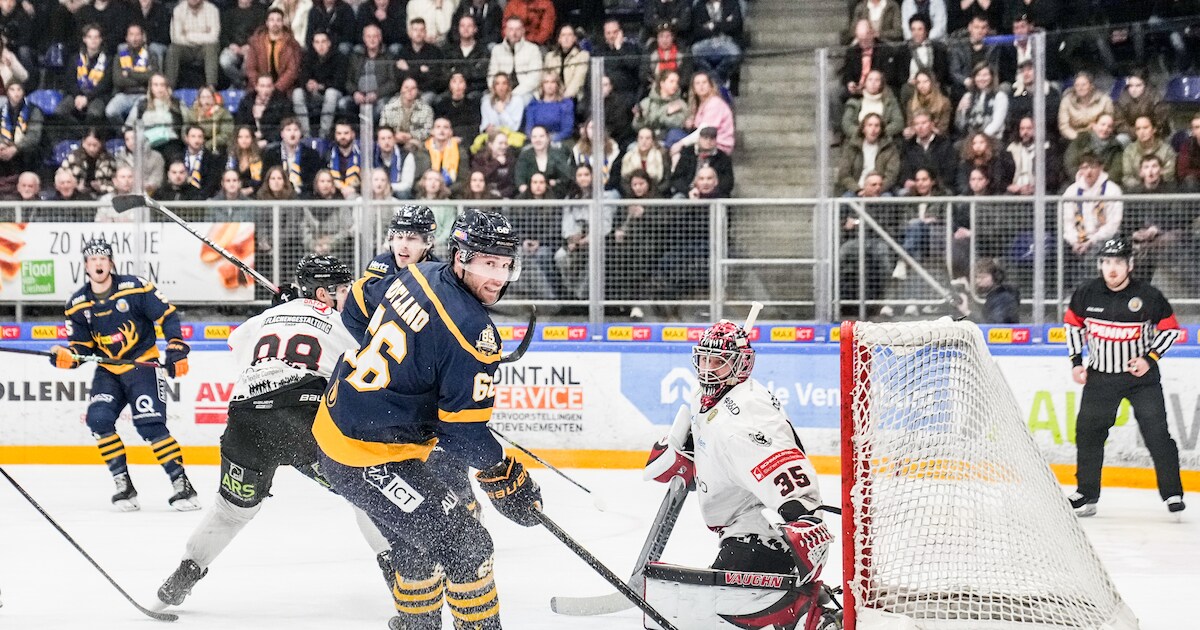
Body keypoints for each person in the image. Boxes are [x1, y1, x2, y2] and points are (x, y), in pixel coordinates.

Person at [314, 208, 541, 630]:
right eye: (486, 262)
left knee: (417, 545)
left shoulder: (420, 273)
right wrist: (503, 473)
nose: (497, 276)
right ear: (460, 256)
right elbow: (462, 434)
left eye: (505, 265)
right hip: (368, 455)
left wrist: (400, 373)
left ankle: (418, 625)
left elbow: (358, 304)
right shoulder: (473, 332)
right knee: (468, 546)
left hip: (341, 425)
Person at [156, 255, 394, 608]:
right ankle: (402, 577)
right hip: (304, 418)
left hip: (245, 421)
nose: (347, 296)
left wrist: (281, 310)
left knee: (231, 510)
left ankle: (186, 573)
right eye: (342, 290)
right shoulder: (346, 322)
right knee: (364, 491)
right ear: (324, 293)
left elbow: (237, 343)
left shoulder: (263, 318)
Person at [642, 319, 832, 627]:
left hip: (757, 542)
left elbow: (779, 462)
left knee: (717, 618)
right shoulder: (710, 396)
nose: (706, 369)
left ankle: (811, 613)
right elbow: (706, 426)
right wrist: (692, 453)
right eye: (703, 358)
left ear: (740, 365)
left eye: (717, 361)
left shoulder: (745, 417)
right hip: (742, 533)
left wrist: (803, 515)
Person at [48, 238, 199, 512]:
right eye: (93, 260)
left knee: (150, 426)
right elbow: (81, 350)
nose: (98, 263)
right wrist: (67, 358)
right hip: (109, 370)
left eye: (103, 258)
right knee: (98, 419)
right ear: (85, 266)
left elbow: (167, 316)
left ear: (111, 263)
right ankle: (123, 485)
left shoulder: (135, 287)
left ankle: (182, 483)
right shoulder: (77, 304)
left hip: (143, 365)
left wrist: (176, 348)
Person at [1063, 238, 1185, 518]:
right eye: (1106, 262)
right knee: (1089, 433)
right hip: (1100, 377)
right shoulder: (1086, 293)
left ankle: (1173, 494)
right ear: (1100, 265)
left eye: (1118, 262)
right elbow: (1072, 326)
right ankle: (1086, 494)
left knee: (1157, 435)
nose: (1112, 269)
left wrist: (1149, 359)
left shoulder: (1149, 295)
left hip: (1141, 380)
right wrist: (1076, 362)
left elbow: (1170, 330)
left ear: (1129, 265)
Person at [293, 30, 348, 139]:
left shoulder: (339, 57)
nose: (320, 45)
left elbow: (339, 82)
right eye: (317, 42)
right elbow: (302, 76)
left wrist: (321, 86)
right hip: (312, 93)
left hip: (333, 93)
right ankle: (305, 134)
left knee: (331, 93)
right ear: (313, 44)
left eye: (323, 42)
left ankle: (324, 134)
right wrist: (307, 83)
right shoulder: (308, 56)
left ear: (329, 43)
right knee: (297, 93)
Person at [365, 204, 438, 279]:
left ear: (428, 243)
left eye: (411, 239)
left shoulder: (439, 274)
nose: (403, 245)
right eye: (399, 237)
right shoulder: (378, 265)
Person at [165, 0, 220, 88]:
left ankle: (211, 87)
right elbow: (175, 38)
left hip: (204, 48)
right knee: (172, 49)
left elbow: (214, 37)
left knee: (211, 48)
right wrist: (204, 34)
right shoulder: (178, 10)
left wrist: (188, 35)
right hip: (185, 49)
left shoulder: (212, 10)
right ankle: (169, 88)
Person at [487, 16, 543, 99]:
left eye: (518, 29)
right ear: (505, 31)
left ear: (523, 31)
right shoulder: (497, 50)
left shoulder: (533, 49)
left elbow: (535, 78)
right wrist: (499, 92)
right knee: (486, 102)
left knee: (520, 102)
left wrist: (513, 94)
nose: (514, 33)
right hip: (501, 92)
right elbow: (492, 74)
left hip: (525, 92)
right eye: (511, 29)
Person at [184, 85, 234, 154]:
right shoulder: (191, 113)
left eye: (209, 97)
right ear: (199, 99)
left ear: (214, 98)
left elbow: (226, 134)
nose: (206, 100)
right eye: (203, 97)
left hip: (216, 146)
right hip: (195, 145)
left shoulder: (223, 113)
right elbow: (185, 130)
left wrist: (208, 144)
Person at [973, 258, 1020, 324]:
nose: (978, 281)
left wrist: (967, 312)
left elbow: (993, 325)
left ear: (996, 277)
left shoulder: (1004, 300)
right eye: (977, 277)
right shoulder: (993, 297)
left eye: (982, 277)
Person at [374, 125, 416, 198]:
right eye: (383, 139)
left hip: (397, 192)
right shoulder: (372, 155)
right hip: (377, 191)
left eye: (389, 138)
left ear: (394, 139)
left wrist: (388, 187)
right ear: (378, 141)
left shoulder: (406, 155)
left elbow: (407, 185)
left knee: (403, 194)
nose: (386, 142)